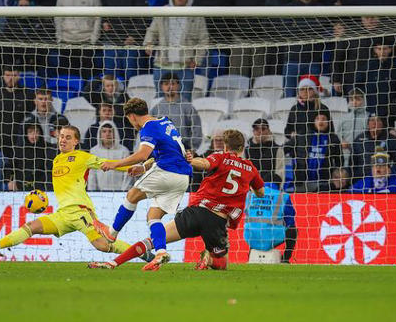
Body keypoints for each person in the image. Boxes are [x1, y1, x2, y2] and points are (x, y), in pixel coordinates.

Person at [89, 129, 264, 271]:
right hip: (218, 221)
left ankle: (114, 263)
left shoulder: (220, 157)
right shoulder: (251, 168)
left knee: (153, 239)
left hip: (197, 212)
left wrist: (191, 160)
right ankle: (208, 260)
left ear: (225, 146)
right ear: (243, 147)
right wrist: (249, 185)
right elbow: (261, 193)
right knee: (222, 264)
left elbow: (205, 164)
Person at [0, 125, 134, 258]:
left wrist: (134, 167)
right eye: (62, 136)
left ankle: (144, 253)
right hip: (62, 214)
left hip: (80, 212)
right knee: (31, 226)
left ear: (76, 141)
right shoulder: (56, 160)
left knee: (103, 245)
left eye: (68, 137)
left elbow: (111, 163)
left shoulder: (83, 157)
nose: (63, 140)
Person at [94, 98, 193, 268]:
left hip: (167, 171)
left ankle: (111, 234)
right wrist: (144, 167)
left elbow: (142, 154)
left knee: (132, 195)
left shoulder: (148, 128)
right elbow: (171, 151)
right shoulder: (165, 122)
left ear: (132, 116)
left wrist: (114, 164)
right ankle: (161, 252)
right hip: (183, 178)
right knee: (153, 216)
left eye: (129, 120)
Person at [244, 175, 296, 263]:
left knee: (254, 226)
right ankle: (286, 259)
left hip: (250, 237)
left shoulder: (249, 195)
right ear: (279, 184)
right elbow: (290, 218)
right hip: (272, 236)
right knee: (292, 229)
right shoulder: (282, 196)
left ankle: (250, 255)